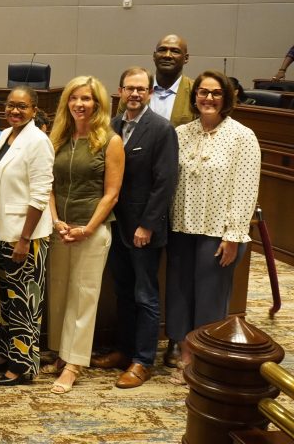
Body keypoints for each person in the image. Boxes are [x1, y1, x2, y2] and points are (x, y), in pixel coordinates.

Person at [166, 70, 260, 385]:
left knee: (209, 297)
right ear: (194, 98)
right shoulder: (181, 133)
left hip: (218, 232)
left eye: (216, 93)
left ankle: (204, 360)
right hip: (181, 228)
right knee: (179, 293)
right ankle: (185, 352)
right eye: (203, 92)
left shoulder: (242, 137)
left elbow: (246, 191)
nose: (208, 98)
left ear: (227, 98)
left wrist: (233, 236)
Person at [92, 67, 179, 388]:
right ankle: (123, 350)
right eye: (129, 88)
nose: (135, 94)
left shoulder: (161, 129)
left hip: (144, 231)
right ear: (120, 91)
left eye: (141, 89)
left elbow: (165, 183)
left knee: (145, 296)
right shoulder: (112, 126)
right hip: (116, 227)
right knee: (123, 293)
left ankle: (143, 361)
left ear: (150, 93)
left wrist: (148, 225)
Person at [45, 76, 124, 394]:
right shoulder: (58, 137)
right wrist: (55, 220)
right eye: (75, 98)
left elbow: (112, 194)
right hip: (61, 229)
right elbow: (47, 184)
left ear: (99, 104)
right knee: (60, 294)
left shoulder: (110, 141)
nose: (80, 104)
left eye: (87, 99)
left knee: (84, 298)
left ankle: (75, 363)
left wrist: (88, 227)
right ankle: (60, 353)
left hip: (92, 232)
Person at [0, 86, 55, 386]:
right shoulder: (5, 136)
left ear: (34, 109)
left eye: (22, 107)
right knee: (8, 300)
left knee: (26, 302)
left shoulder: (38, 141)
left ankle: (24, 366)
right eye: (11, 105)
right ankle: (7, 353)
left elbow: (40, 194)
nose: (15, 111)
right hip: (4, 229)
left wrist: (25, 238)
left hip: (27, 236)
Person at [120, 34, 195, 128]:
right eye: (162, 50)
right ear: (154, 56)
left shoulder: (195, 91)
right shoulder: (133, 91)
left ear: (186, 58)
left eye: (175, 51)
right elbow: (120, 128)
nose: (167, 55)